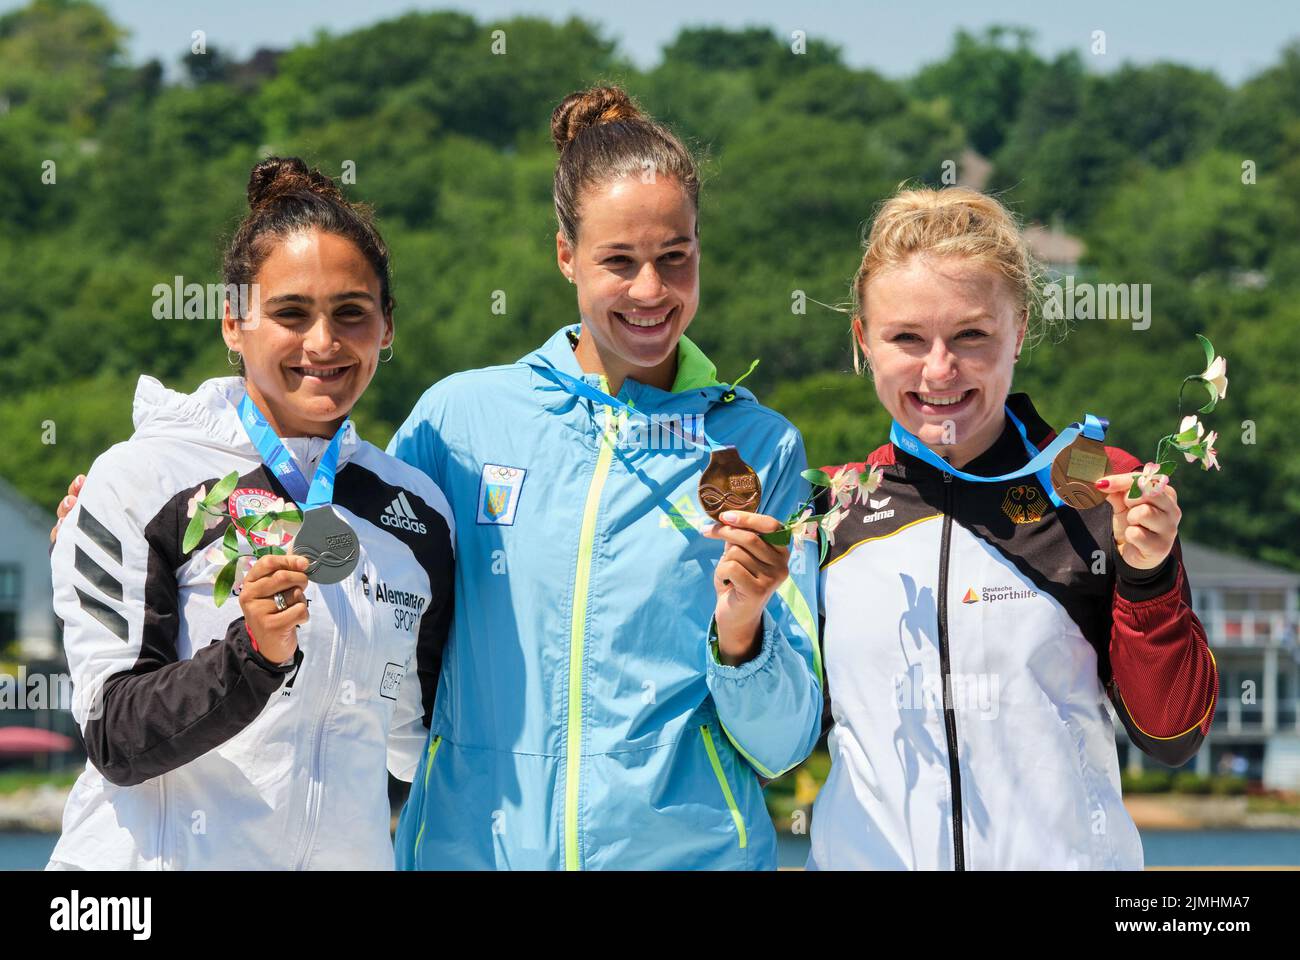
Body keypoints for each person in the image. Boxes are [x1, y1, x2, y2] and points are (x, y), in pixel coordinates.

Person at [385, 86, 823, 869]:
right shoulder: (458, 421)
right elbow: (358, 598)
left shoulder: (761, 447)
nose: (651, 291)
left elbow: (783, 746)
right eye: (618, 262)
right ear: (565, 255)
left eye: (674, 259)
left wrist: (744, 630)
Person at [46, 157, 454, 869]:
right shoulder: (140, 481)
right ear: (234, 322)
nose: (323, 343)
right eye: (291, 313)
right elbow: (115, 737)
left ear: (387, 327)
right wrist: (252, 658)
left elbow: (421, 740)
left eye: (351, 312)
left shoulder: (415, 515)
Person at [807, 186, 1218, 870]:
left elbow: (1173, 734)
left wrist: (1148, 577)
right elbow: (778, 740)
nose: (939, 369)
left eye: (972, 335)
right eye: (907, 337)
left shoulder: (1095, 490)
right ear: (863, 339)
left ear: (1020, 329)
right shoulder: (829, 512)